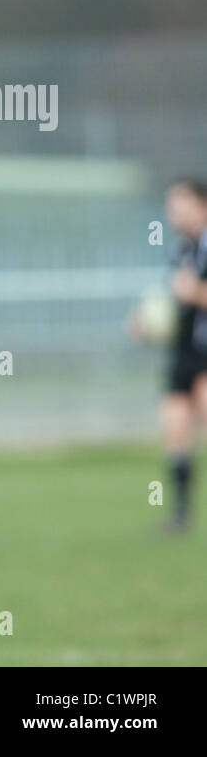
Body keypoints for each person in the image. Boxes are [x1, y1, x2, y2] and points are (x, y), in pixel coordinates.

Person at [152, 179, 207, 531]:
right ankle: (180, 516)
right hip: (183, 352)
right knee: (175, 430)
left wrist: (196, 293)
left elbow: (194, 294)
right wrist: (150, 323)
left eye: (179, 204)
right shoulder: (181, 250)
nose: (171, 213)